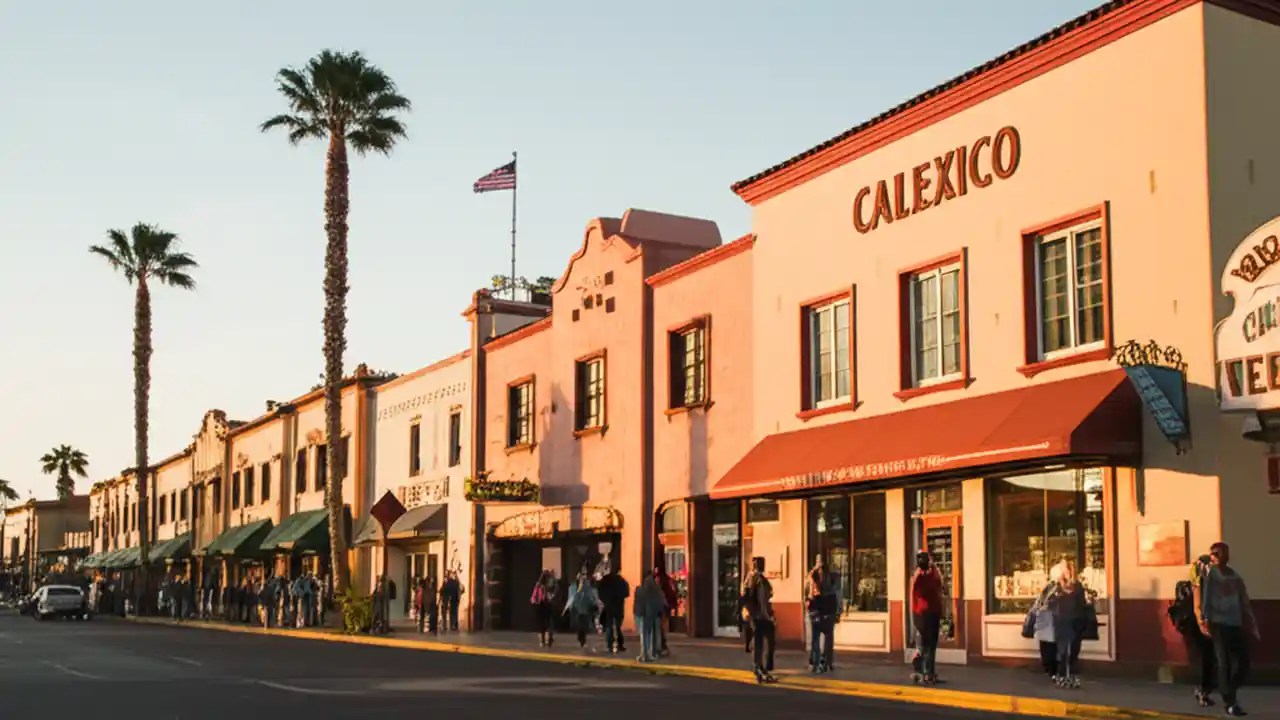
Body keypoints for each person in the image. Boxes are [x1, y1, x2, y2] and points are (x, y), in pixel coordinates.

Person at [1195, 542, 1259, 717]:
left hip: (1234, 623)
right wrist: (1203, 619)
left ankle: (1228, 689)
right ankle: (1230, 703)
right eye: (1214, 553)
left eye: (1221, 553)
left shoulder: (1235, 577)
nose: (1218, 556)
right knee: (1224, 663)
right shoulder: (1210, 575)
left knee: (1244, 662)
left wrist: (1252, 624)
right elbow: (1205, 598)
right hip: (1217, 624)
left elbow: (1244, 600)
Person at [1171, 554, 1216, 707]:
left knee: (1206, 657)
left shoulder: (1202, 586)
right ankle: (1203, 690)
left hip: (1198, 624)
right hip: (1198, 624)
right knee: (1206, 657)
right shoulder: (1199, 586)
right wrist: (1202, 623)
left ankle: (1203, 690)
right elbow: (1198, 608)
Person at [1047, 560, 1087, 689]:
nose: (1067, 572)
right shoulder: (1055, 586)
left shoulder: (1078, 586)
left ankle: (1070, 675)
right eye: (1065, 570)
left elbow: (1082, 604)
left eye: (1069, 570)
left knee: (1074, 649)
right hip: (1061, 621)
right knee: (1063, 650)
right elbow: (1048, 602)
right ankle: (1062, 675)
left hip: (1075, 622)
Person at [910, 550, 944, 685]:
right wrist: (932, 567)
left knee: (927, 645)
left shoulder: (920, 576)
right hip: (925, 614)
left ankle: (926, 671)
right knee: (928, 645)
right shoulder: (925, 577)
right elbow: (938, 583)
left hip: (924, 613)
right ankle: (926, 672)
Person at [742, 556, 777, 684]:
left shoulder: (759, 579)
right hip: (757, 615)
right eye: (760, 564)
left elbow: (767, 595)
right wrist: (756, 613)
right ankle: (759, 668)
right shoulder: (753, 578)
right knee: (759, 642)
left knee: (767, 640)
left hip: (761, 614)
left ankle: (762, 667)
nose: (762, 566)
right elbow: (751, 598)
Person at [807, 556, 837, 674]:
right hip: (822, 609)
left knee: (818, 638)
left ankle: (819, 662)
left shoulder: (820, 577)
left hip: (822, 609)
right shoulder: (815, 577)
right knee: (821, 638)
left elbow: (810, 597)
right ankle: (822, 662)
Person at [597, 567, 631, 655]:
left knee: (609, 625)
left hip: (608, 605)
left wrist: (605, 600)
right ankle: (620, 644)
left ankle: (609, 645)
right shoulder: (621, 580)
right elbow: (627, 592)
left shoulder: (605, 580)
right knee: (618, 626)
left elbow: (599, 591)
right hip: (618, 605)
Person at [564, 572, 602, 650]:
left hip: (585, 609)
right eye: (580, 578)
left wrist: (594, 604)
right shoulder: (573, 587)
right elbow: (571, 598)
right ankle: (581, 640)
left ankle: (582, 640)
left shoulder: (587, 587)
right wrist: (569, 607)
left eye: (583, 578)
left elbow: (591, 597)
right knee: (579, 625)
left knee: (584, 626)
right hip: (576, 609)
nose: (582, 579)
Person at [633, 573, 666, 662]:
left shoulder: (640, 589)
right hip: (648, 614)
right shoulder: (655, 591)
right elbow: (659, 603)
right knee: (648, 634)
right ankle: (647, 654)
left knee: (644, 635)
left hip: (642, 614)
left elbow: (637, 604)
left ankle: (645, 654)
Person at [531, 570, 559, 647]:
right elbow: (554, 592)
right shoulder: (549, 585)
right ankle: (547, 641)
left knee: (540, 625)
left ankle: (541, 642)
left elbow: (533, 596)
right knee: (548, 624)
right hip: (547, 605)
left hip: (538, 605)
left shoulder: (538, 585)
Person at [655, 565, 678, 657]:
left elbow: (661, 594)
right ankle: (662, 646)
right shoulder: (669, 580)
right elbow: (674, 590)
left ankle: (661, 646)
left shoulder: (659, 581)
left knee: (660, 627)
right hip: (667, 606)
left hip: (662, 606)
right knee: (663, 626)